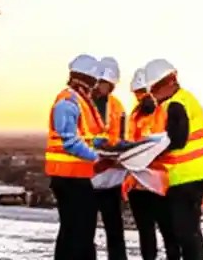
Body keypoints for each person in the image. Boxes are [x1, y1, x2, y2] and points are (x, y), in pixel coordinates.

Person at [142, 58, 203, 260]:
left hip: (187, 176)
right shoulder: (185, 98)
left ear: (167, 83)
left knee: (185, 231)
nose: (153, 95)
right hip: (196, 173)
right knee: (189, 230)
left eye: (154, 89)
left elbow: (177, 139)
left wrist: (148, 150)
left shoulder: (175, 104)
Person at [47, 53, 114, 260]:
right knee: (78, 232)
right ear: (87, 79)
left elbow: (83, 136)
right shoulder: (67, 103)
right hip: (68, 178)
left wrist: (103, 145)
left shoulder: (79, 101)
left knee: (77, 231)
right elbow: (70, 142)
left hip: (77, 177)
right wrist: (97, 158)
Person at [124, 67, 176, 260]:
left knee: (168, 231)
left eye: (142, 93)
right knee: (146, 233)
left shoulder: (163, 110)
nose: (139, 98)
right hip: (139, 183)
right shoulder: (135, 115)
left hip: (159, 182)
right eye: (137, 94)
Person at [92, 57, 127, 260]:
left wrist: (119, 150)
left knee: (115, 229)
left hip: (112, 176)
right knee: (85, 229)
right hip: (89, 175)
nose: (104, 88)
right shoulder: (83, 104)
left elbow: (122, 136)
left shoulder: (116, 106)